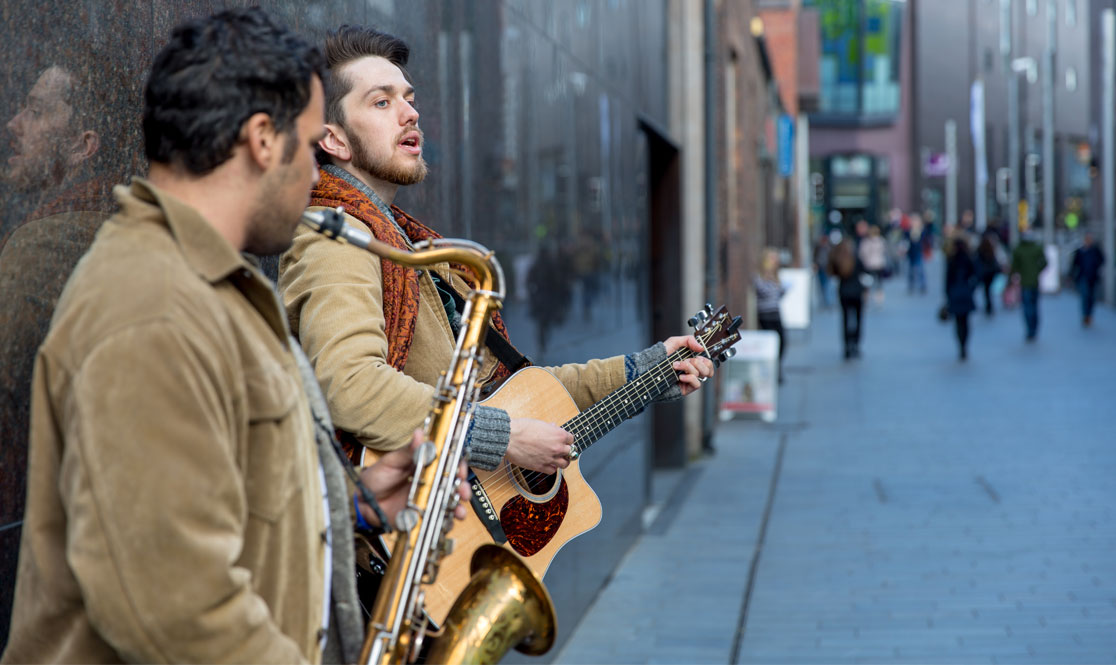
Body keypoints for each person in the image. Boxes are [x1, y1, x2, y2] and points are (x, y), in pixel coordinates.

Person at [1, 10, 465, 664]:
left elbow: (221, 500)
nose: (316, 179)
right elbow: (175, 606)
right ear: (261, 141)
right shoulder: (152, 308)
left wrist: (351, 506)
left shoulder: (209, 283)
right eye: (309, 147)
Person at [278, 25, 713, 477]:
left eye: (410, 98)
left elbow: (515, 393)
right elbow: (352, 386)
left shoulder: (403, 242)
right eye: (382, 101)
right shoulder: (336, 237)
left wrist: (645, 371)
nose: (410, 114)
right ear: (334, 140)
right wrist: (501, 437)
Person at [828, 237, 867, 359]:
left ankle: (846, 347)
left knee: (845, 319)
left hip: (844, 292)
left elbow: (832, 273)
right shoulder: (855, 258)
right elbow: (864, 272)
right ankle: (855, 344)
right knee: (858, 319)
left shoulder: (838, 259)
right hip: (857, 292)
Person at [754, 248, 787, 383]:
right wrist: (771, 280)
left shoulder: (776, 276)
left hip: (776, 313)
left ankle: (777, 368)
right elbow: (763, 291)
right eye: (772, 258)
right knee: (768, 343)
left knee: (782, 342)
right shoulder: (760, 276)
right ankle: (769, 371)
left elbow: (780, 292)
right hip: (765, 314)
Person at [1011, 230, 1048, 341]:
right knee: (1034, 306)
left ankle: (1030, 330)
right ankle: (1033, 329)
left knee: (1027, 307)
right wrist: (1037, 271)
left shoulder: (1019, 249)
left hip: (1025, 282)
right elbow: (1045, 263)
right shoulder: (1037, 248)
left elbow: (1014, 267)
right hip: (1034, 282)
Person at [945, 237, 978, 361]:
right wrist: (971, 288)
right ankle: (964, 345)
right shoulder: (968, 258)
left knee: (958, 322)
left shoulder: (952, 260)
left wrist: (947, 295)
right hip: (965, 293)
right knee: (965, 321)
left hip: (955, 293)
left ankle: (961, 345)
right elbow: (976, 274)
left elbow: (947, 280)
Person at [1069, 232, 1105, 327]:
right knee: (1085, 296)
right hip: (1083, 277)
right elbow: (1074, 264)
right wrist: (1071, 275)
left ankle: (1089, 314)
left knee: (1091, 298)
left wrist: (1095, 266)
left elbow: (1102, 260)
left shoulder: (1095, 250)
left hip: (1093, 278)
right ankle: (1085, 315)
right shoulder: (1080, 251)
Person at [975, 231, 1003, 316]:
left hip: (985, 273)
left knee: (986, 290)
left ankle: (988, 306)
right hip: (990, 273)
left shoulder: (981, 248)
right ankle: (989, 306)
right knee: (988, 290)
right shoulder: (990, 248)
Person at [858, 224, 888, 304]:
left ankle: (866, 299)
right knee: (879, 283)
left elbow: (862, 253)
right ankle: (879, 300)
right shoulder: (881, 241)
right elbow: (884, 252)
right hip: (879, 264)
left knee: (867, 284)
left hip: (869, 265)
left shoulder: (866, 242)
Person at [904, 213, 927, 294]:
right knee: (911, 271)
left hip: (918, 252)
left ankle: (922, 286)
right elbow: (905, 240)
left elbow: (923, 239)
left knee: (920, 270)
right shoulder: (908, 231)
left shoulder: (922, 230)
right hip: (911, 253)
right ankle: (911, 286)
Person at [812, 233, 833, 308]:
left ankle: (827, 302)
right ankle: (824, 302)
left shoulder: (829, 247)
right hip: (820, 268)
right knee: (821, 285)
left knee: (827, 285)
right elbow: (815, 257)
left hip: (827, 269)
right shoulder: (818, 247)